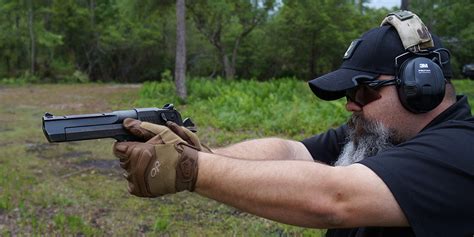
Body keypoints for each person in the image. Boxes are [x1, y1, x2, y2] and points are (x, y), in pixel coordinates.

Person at [112, 11, 474, 237]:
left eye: (363, 91)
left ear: (420, 86)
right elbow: (290, 151)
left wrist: (191, 169)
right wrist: (203, 154)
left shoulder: (460, 151)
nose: (350, 104)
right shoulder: (382, 136)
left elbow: (334, 198)